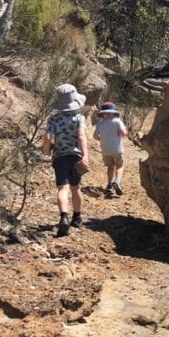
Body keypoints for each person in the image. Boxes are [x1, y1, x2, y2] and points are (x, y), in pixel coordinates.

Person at [41, 83, 89, 236]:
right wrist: (85, 155)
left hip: (60, 158)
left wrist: (46, 151)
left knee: (63, 189)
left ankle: (63, 217)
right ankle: (77, 217)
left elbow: (48, 137)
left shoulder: (53, 119)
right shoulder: (79, 118)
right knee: (76, 187)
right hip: (75, 157)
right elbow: (81, 136)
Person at [92, 101, 127, 197]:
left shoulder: (100, 124)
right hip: (117, 149)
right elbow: (123, 133)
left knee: (110, 167)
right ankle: (117, 181)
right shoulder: (117, 121)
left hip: (106, 151)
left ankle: (109, 185)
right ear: (113, 112)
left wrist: (101, 139)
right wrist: (119, 135)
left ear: (103, 113)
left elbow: (95, 136)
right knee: (120, 166)